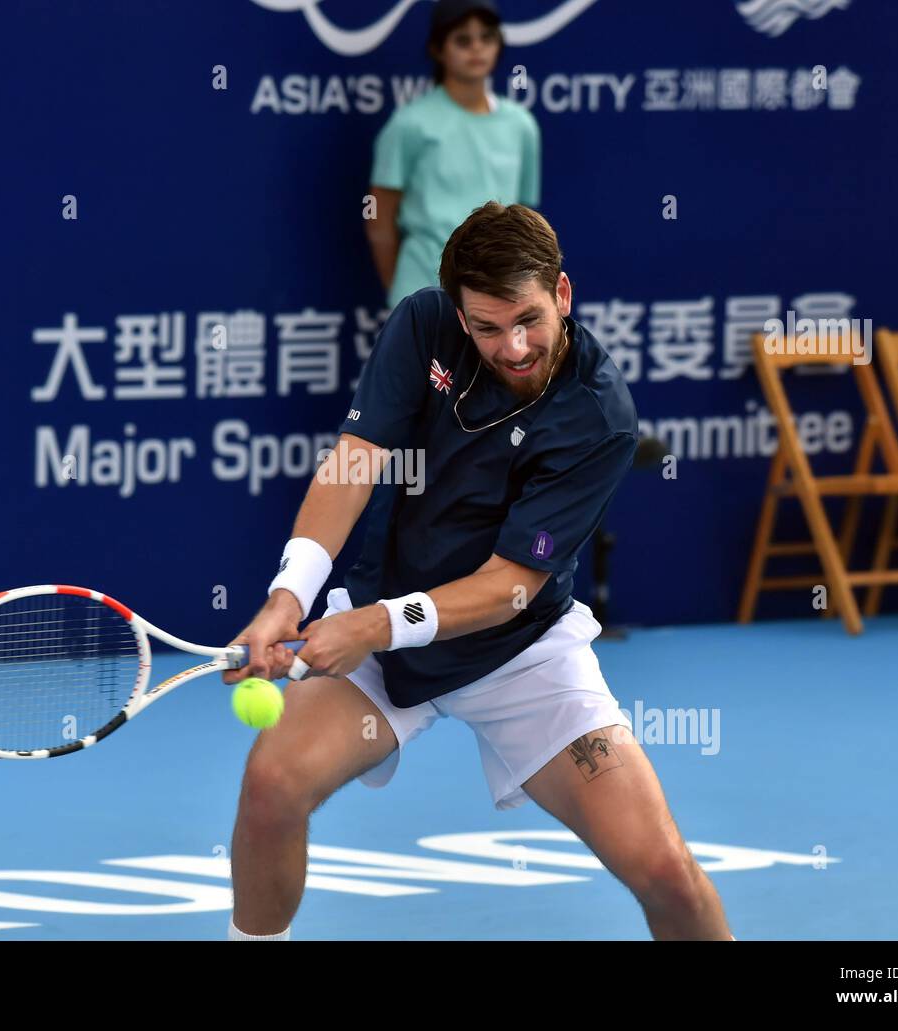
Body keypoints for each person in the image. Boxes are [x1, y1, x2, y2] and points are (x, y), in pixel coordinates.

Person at [224, 202, 734, 941]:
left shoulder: (599, 416)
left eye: (528, 317)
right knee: (271, 787)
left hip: (520, 653)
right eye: (487, 327)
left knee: (664, 874)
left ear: (562, 293)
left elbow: (510, 586)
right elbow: (356, 462)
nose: (515, 346)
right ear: (459, 315)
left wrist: (368, 625)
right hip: (387, 633)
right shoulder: (424, 324)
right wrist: (287, 596)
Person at [366, 0, 541, 308]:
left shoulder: (521, 125)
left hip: (497, 294)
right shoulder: (409, 124)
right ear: (438, 49)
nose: (477, 48)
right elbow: (379, 217)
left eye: (487, 37)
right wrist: (404, 295)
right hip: (421, 287)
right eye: (463, 39)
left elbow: (522, 220)